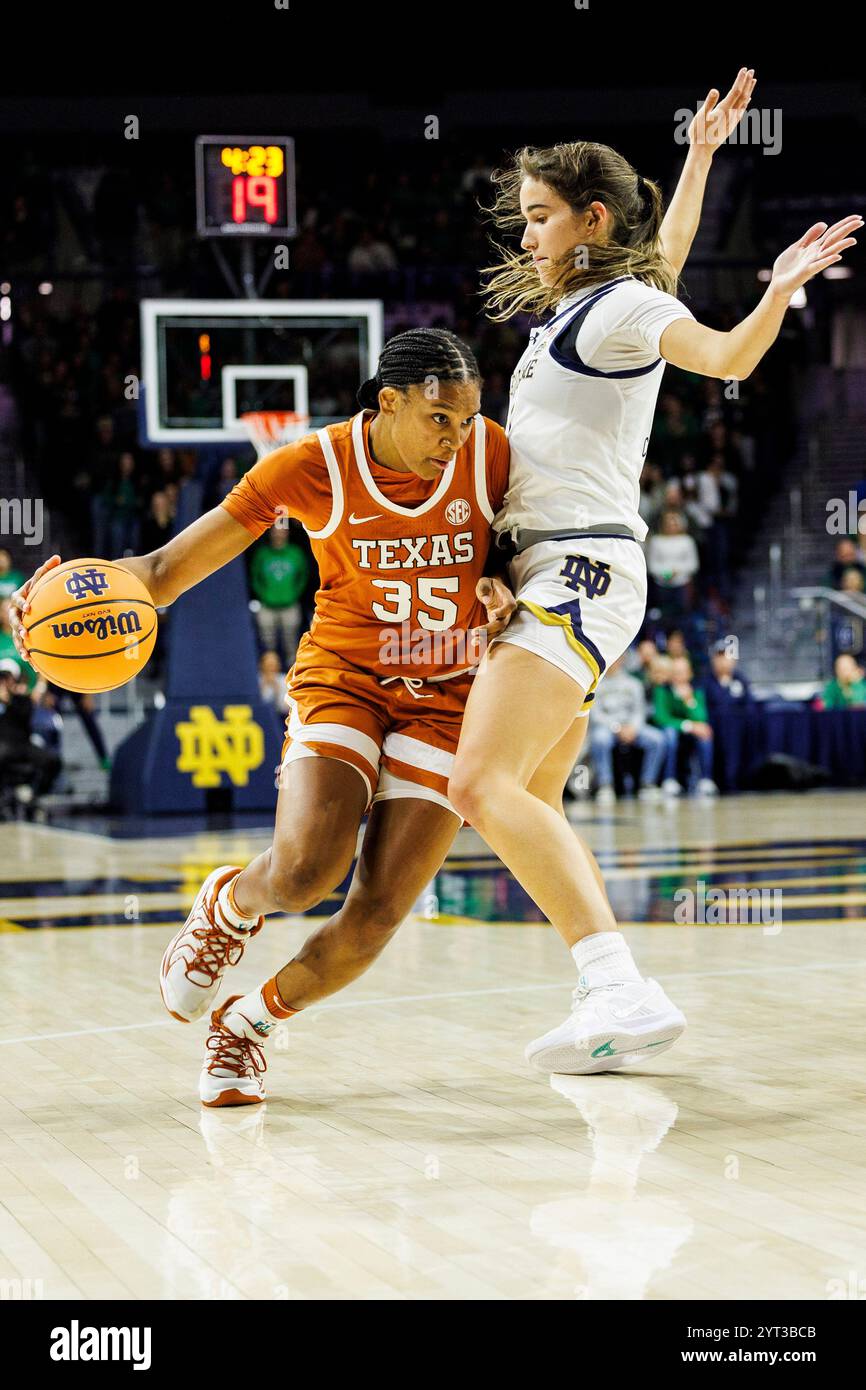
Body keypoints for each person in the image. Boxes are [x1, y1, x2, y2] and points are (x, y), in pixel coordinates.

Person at [445, 75, 860, 1073]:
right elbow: (659, 262)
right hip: (563, 569)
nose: (527, 235)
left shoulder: (621, 306)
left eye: (540, 216)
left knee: (479, 782)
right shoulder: (596, 308)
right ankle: (604, 989)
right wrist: (702, 156)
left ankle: (619, 986)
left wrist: (772, 293)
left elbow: (719, 358)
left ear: (588, 219)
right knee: (530, 793)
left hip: (580, 569)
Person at [10, 328, 525, 1108]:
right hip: (345, 676)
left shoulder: (492, 455)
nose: (456, 439)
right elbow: (161, 572)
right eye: (438, 419)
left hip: (449, 694)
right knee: (305, 872)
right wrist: (56, 598)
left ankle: (246, 1024)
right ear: (388, 403)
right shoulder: (312, 465)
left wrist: (500, 586)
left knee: (380, 911)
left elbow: (521, 555)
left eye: (467, 419)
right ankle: (228, 906)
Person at [588, 655, 666, 804]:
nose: (614, 661)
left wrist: (632, 728)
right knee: (599, 739)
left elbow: (639, 711)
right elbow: (595, 714)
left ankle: (647, 784)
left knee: (657, 739)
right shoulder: (595, 684)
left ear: (622, 660)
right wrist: (616, 728)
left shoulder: (633, 683)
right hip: (608, 728)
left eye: (618, 658)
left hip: (631, 728)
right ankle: (605, 785)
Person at [652, 656, 718, 797]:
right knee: (670, 735)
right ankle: (669, 779)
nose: (678, 676)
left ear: (689, 673)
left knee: (705, 733)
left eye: (682, 672)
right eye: (675, 672)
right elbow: (661, 718)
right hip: (672, 731)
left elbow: (701, 718)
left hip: (691, 733)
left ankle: (706, 780)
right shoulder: (662, 690)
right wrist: (687, 726)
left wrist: (689, 701)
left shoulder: (696, 690)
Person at [249, 523, 310, 667]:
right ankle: (268, 675)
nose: (279, 534)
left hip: (290, 605)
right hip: (267, 606)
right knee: (267, 642)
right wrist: (263, 594)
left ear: (287, 533)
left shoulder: (295, 553)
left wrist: (294, 593)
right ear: (271, 533)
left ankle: (293, 674)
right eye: (276, 532)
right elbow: (255, 577)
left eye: (282, 532)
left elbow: (303, 576)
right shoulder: (262, 554)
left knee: (292, 642)